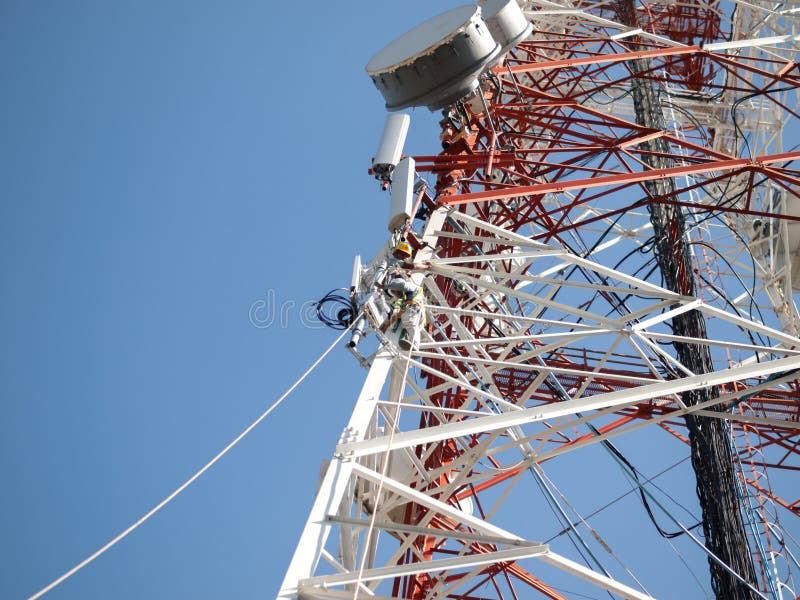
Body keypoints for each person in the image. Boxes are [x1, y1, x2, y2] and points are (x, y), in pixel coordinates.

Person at [383, 271, 425, 352]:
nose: (396, 294)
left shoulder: (409, 287)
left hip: (413, 310)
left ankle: (415, 343)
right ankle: (412, 341)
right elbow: (397, 314)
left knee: (409, 323)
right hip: (418, 314)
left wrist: (385, 285)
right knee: (410, 325)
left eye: (394, 292)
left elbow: (401, 285)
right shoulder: (404, 298)